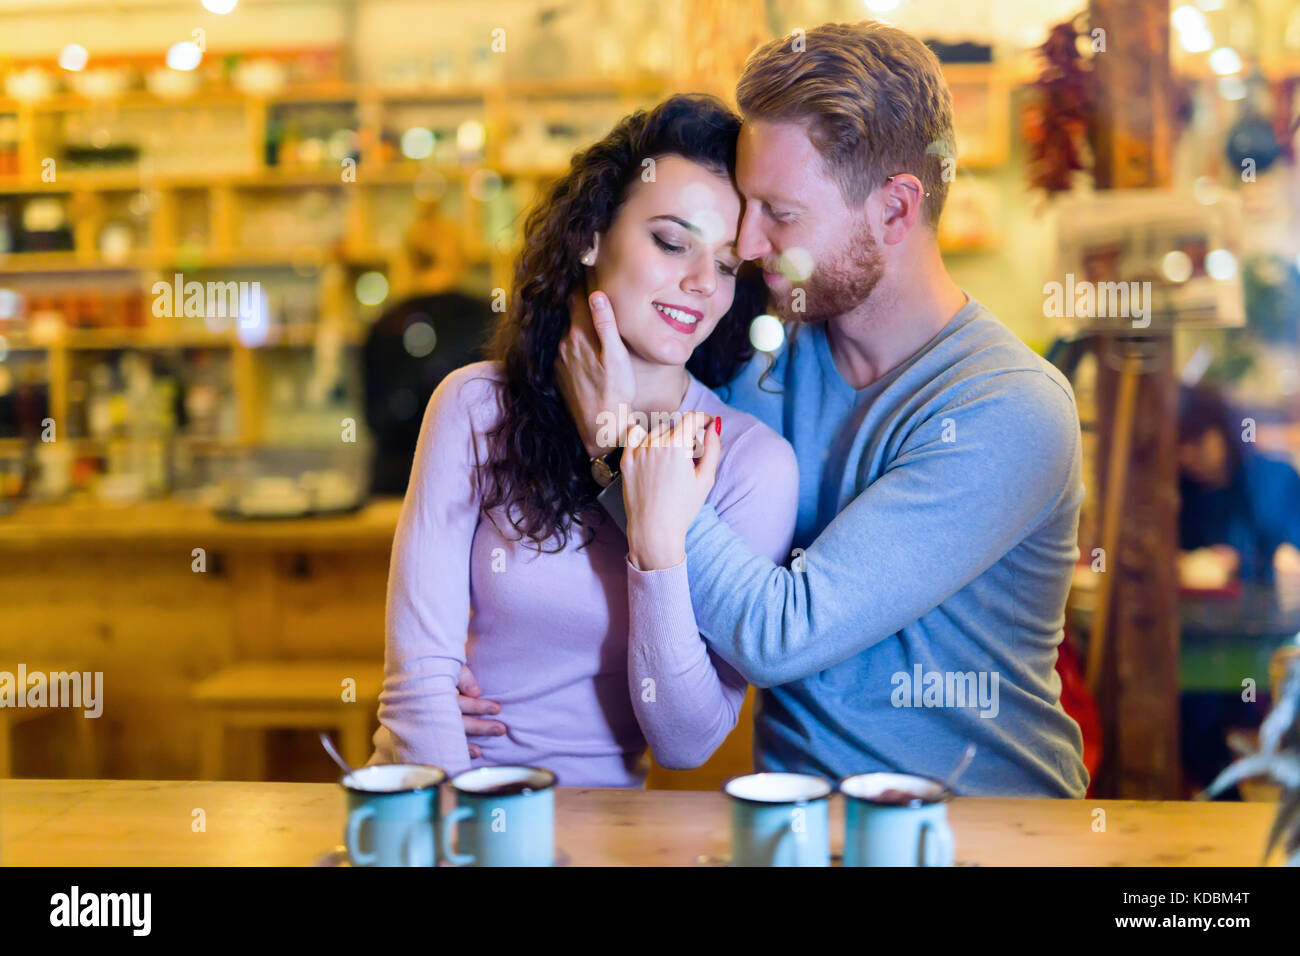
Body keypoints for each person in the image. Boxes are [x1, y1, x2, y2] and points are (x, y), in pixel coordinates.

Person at [467, 20, 1090, 797]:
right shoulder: (758, 368)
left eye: (779, 214)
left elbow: (780, 631)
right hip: (797, 830)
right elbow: (613, 490)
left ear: (896, 211)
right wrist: (490, 672)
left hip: (989, 831)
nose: (748, 244)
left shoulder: (1009, 410)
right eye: (745, 209)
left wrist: (623, 446)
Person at [368, 95, 798, 787]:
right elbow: (419, 688)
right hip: (439, 801)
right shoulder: (477, 406)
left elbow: (686, 742)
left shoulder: (749, 462)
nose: (699, 283)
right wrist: (451, 826)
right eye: (670, 240)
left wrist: (655, 545)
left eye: (724, 264)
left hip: (603, 829)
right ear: (591, 235)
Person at [362, 199, 491, 496]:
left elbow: (374, 418)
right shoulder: (490, 318)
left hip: (399, 487)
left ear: (407, 258)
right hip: (474, 488)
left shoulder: (385, 324)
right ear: (460, 255)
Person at [1178, 384, 1300, 586]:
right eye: (1179, 444)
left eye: (1197, 441)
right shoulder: (1180, 493)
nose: (1186, 456)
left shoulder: (1277, 479)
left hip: (1272, 611)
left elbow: (1290, 553)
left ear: (1225, 431)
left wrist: (1243, 562)